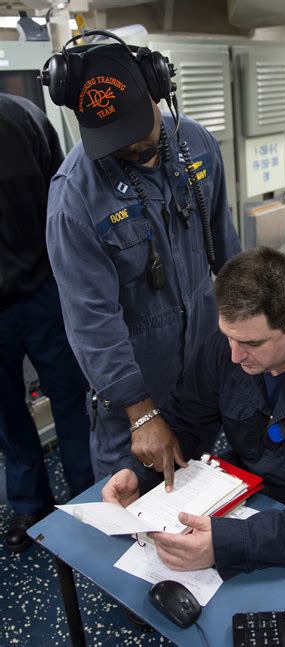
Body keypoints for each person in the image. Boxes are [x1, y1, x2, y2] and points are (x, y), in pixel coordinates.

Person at [103, 247, 285, 580]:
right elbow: (186, 421)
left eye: (253, 343)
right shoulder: (231, 344)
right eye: (229, 336)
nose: (234, 355)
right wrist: (139, 473)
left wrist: (230, 543)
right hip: (253, 489)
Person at [44, 35, 241, 481]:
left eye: (136, 127)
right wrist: (141, 413)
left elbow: (228, 255)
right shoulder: (74, 197)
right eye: (114, 138)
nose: (131, 146)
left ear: (157, 88)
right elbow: (91, 320)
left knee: (199, 505)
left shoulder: (199, 145)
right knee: (131, 518)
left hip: (204, 374)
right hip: (134, 397)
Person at [0, 93, 94, 553]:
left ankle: (86, 499)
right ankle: (29, 502)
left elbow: (64, 198)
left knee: (70, 400)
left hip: (44, 290)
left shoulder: (23, 119)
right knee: (6, 412)